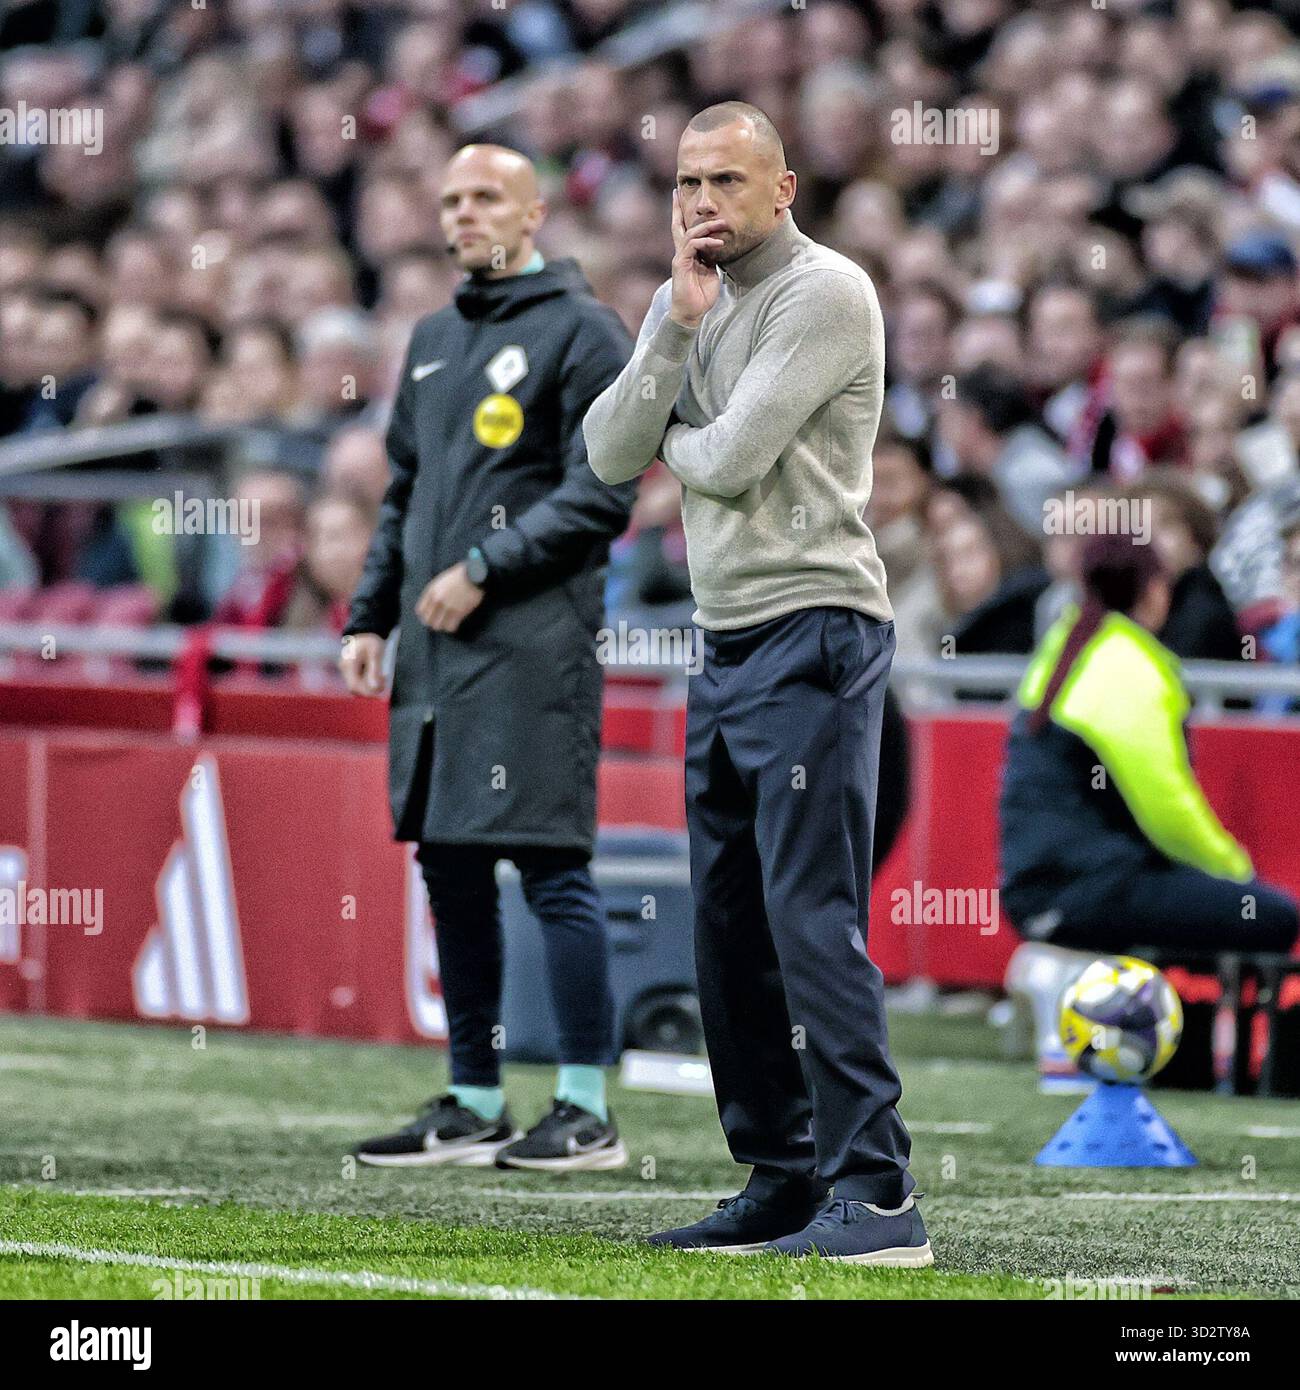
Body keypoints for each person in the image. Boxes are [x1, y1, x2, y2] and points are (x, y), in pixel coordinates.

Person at [584, 101, 930, 1265]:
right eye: (685, 184)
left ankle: (877, 1193)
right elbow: (598, 453)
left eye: (725, 183)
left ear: (784, 188)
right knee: (727, 926)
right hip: (723, 638)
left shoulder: (824, 291)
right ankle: (782, 1175)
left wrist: (667, 430)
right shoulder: (690, 298)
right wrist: (674, 343)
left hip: (817, 630)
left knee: (808, 918)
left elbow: (720, 460)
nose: (698, 205)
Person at [342, 144, 637, 1172]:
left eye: (484, 198)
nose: (463, 214)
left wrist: (482, 564)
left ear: (534, 210)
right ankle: (474, 1097)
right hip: (431, 650)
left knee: (552, 868)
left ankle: (586, 1105)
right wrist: (366, 616)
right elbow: (401, 495)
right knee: (451, 869)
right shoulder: (428, 340)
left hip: (531, 647)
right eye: (450, 198)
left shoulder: (586, 331)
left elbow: (603, 491)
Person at [1000, 531, 1299, 956]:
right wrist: (1235, 872)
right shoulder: (1129, 666)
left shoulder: (1066, 645)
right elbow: (1168, 810)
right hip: (1086, 889)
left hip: (1044, 888)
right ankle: (1198, 1024)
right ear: (1155, 589)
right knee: (1271, 915)